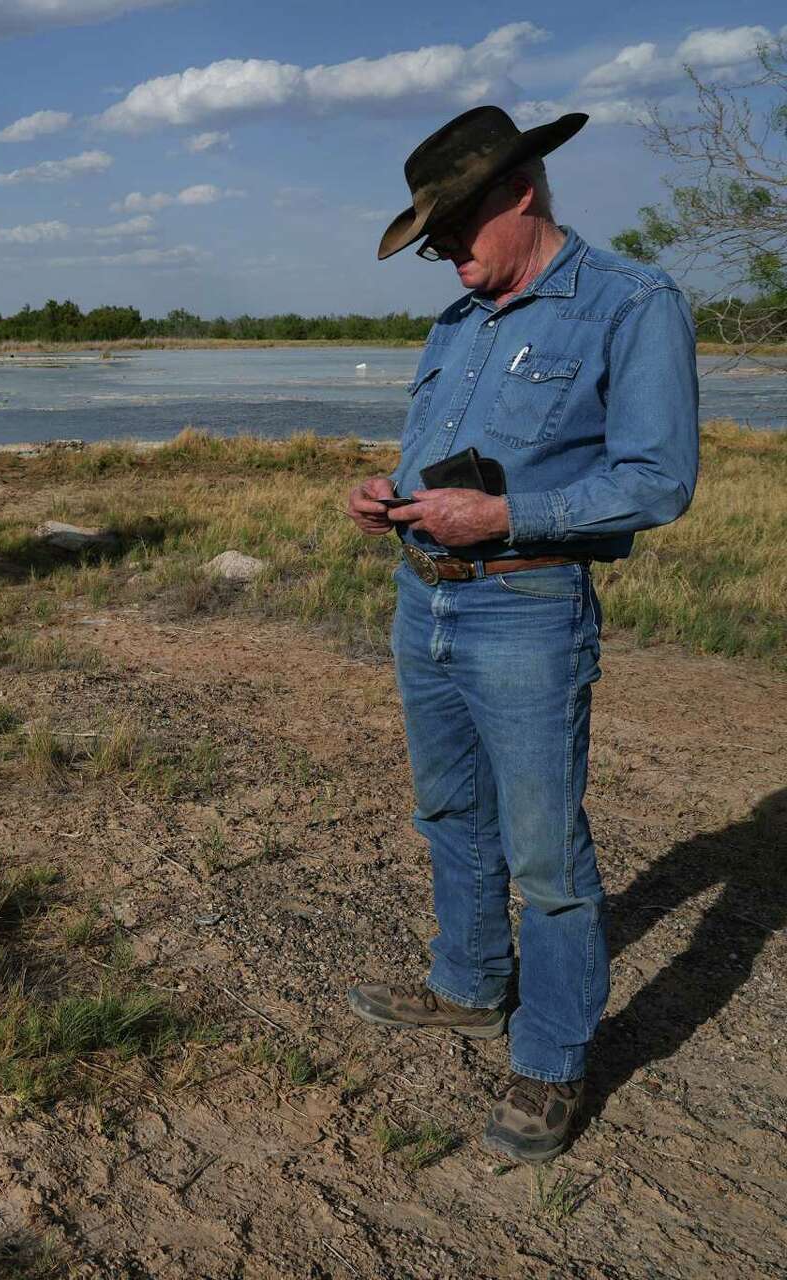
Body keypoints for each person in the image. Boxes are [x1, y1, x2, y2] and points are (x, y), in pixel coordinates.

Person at [342, 105, 700, 1163]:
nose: (448, 251)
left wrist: (505, 517)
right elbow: (434, 457)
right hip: (425, 596)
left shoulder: (632, 303)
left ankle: (550, 1058)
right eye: (433, 239)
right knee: (451, 810)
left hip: (529, 607)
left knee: (546, 851)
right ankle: (467, 984)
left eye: (457, 226)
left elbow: (658, 480)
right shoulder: (458, 323)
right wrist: (387, 494)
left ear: (522, 190)